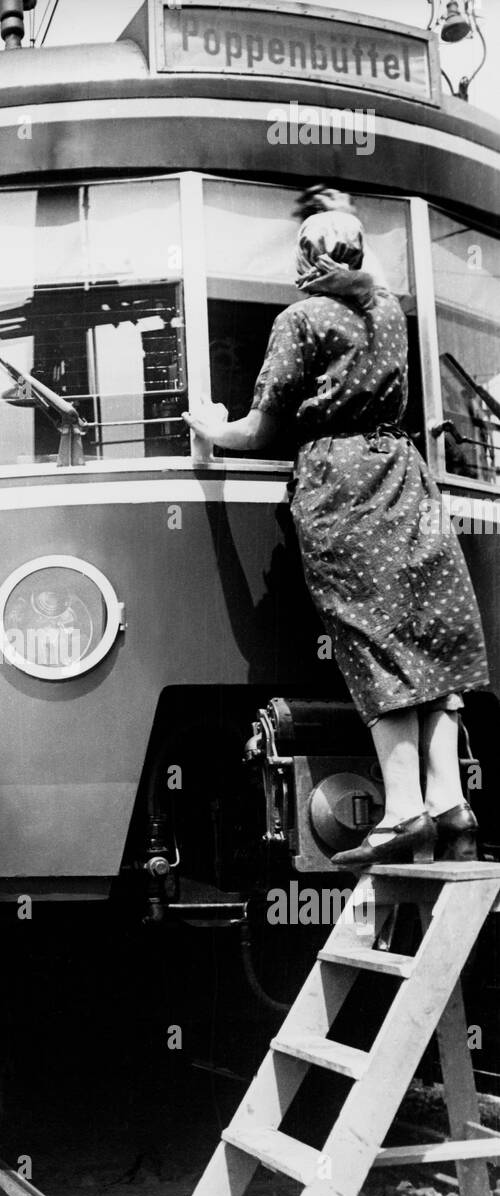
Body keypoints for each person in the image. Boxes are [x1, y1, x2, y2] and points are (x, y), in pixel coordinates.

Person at [183, 203, 490, 867]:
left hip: (342, 484)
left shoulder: (300, 320)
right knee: (428, 639)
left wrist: (210, 425)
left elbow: (259, 431)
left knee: (373, 640)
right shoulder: (385, 311)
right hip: (406, 479)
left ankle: (405, 809)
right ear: (357, 255)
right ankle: (450, 804)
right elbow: (369, 270)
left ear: (306, 262)